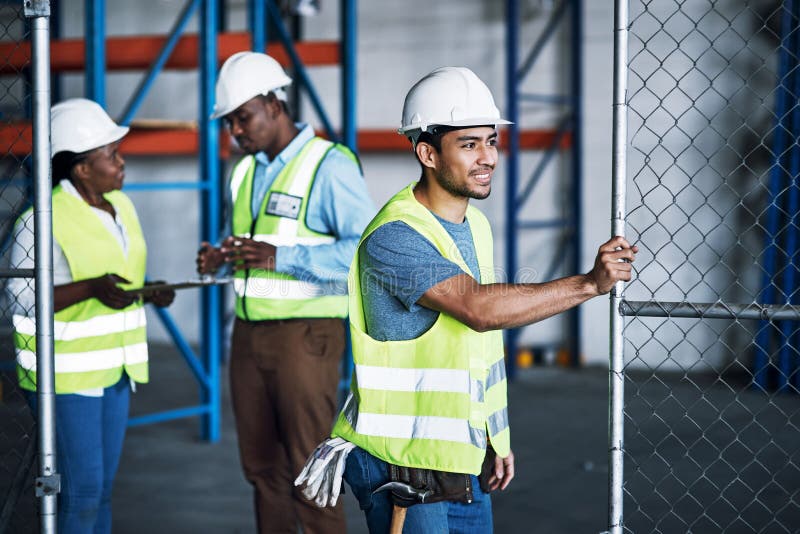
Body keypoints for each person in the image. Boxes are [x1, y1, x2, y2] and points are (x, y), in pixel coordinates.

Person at [311, 66, 638, 533]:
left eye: (491, 141)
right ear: (427, 152)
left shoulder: (475, 227)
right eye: (469, 144)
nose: (488, 157)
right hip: (400, 465)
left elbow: (474, 352)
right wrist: (588, 284)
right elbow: (479, 310)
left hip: (460, 459)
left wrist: (494, 438)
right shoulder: (393, 236)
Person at [195, 51, 374, 533]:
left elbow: (362, 250)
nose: (236, 130)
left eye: (243, 117)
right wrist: (219, 262)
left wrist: (280, 257)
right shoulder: (246, 172)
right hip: (249, 337)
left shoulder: (329, 164)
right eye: (230, 121)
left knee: (308, 472)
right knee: (261, 472)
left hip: (306, 336)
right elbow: (247, 251)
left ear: (274, 105)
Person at [7, 98, 175, 534]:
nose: (121, 162)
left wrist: (147, 289)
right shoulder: (41, 220)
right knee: (81, 493)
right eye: (111, 155)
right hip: (66, 377)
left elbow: (119, 275)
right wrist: (91, 287)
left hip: (116, 369)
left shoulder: (121, 207)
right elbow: (20, 300)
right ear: (81, 169)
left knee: (99, 492)